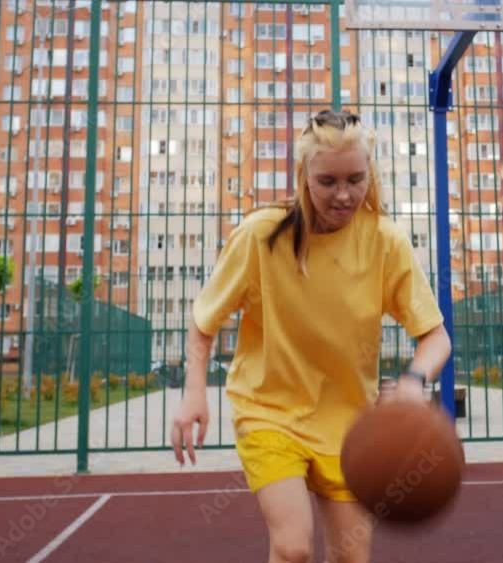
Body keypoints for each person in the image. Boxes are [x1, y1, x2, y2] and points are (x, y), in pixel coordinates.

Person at [171, 109, 453, 563]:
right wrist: (193, 394)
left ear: (370, 173)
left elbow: (436, 337)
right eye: (327, 182)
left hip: (348, 427)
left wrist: (413, 381)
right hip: (270, 412)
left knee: (350, 557)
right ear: (303, 175)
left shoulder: (385, 241)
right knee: (293, 547)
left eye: (356, 179)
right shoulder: (261, 235)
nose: (343, 195)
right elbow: (204, 322)